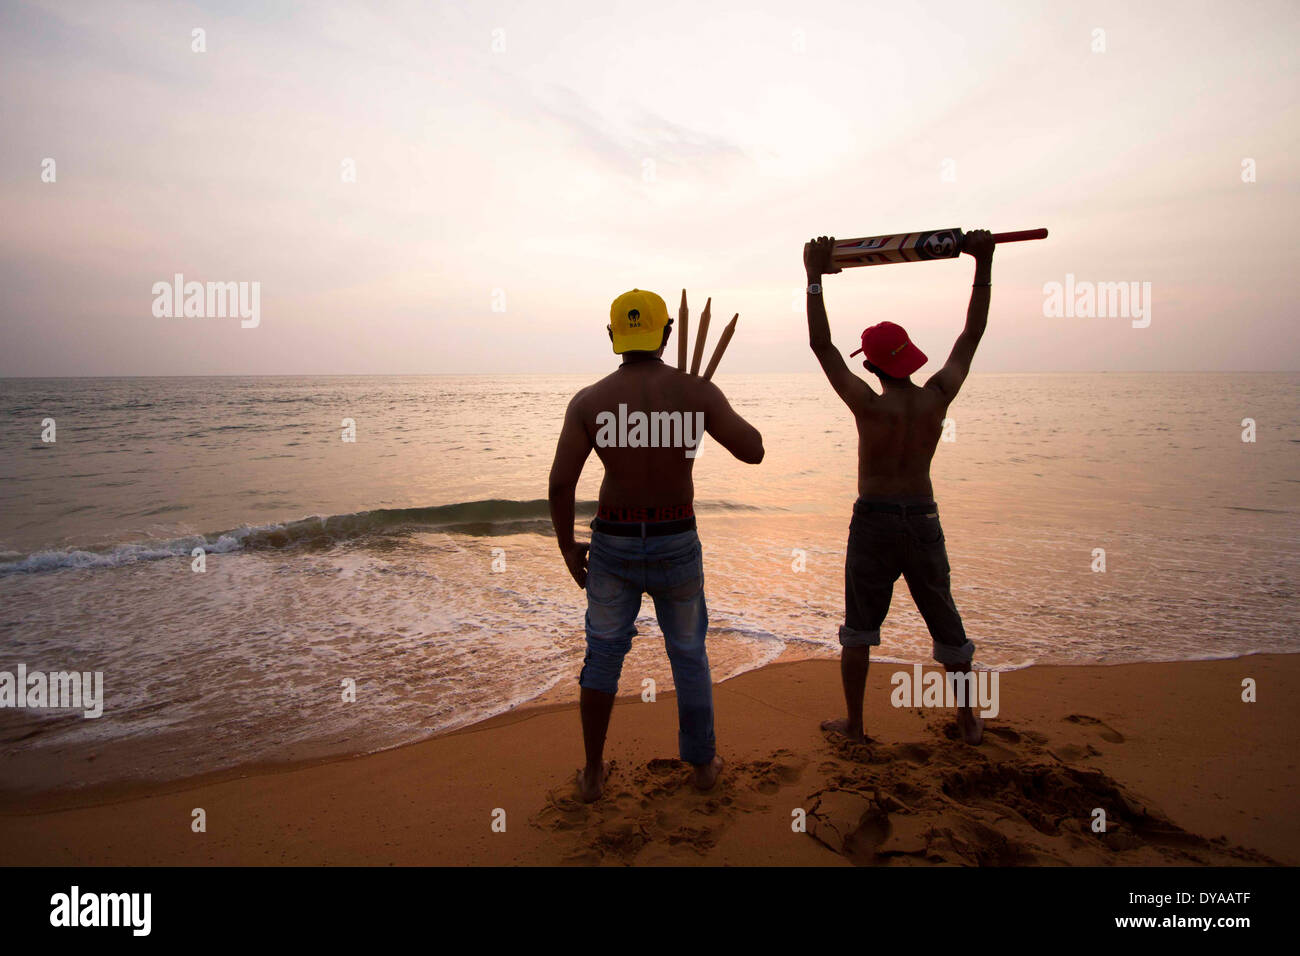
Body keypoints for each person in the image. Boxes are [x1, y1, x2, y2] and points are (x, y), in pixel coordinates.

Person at [548, 289, 765, 801]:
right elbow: (753, 450)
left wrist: (566, 546)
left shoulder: (589, 400)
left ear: (612, 336)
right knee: (688, 653)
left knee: (602, 655)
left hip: (613, 541)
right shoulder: (696, 393)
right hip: (675, 538)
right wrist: (705, 404)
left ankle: (594, 774)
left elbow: (561, 484)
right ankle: (703, 766)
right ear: (667, 333)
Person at [802, 231, 995, 746]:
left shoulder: (868, 405)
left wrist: (814, 276)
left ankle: (857, 726)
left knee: (859, 629)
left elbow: (821, 346)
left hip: (875, 521)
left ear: (869, 365)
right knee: (945, 621)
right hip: (924, 519)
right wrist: (984, 261)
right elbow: (971, 335)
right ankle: (968, 719)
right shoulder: (937, 398)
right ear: (909, 356)